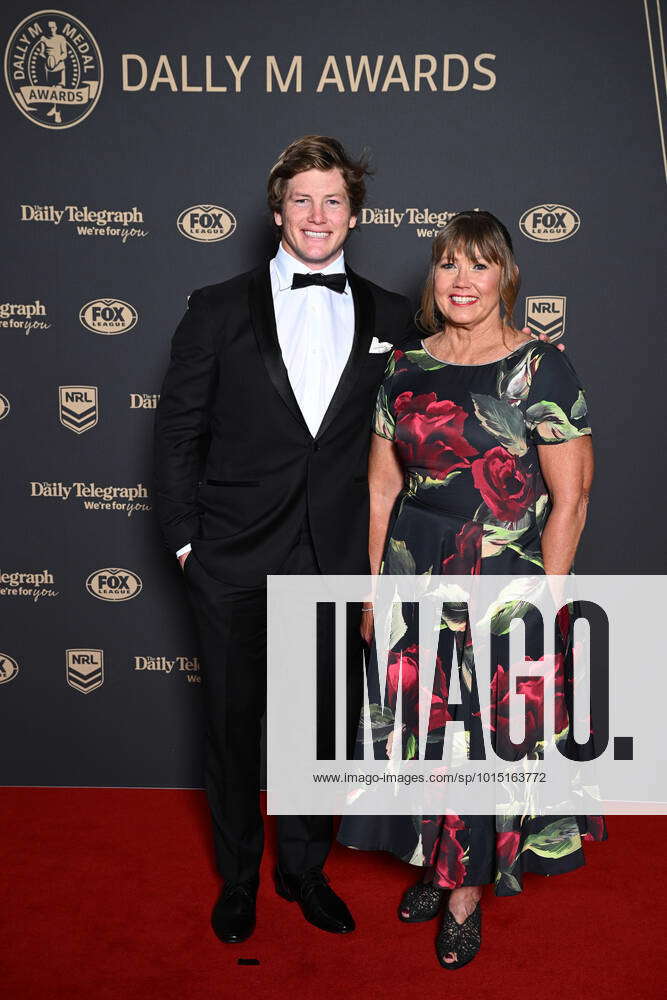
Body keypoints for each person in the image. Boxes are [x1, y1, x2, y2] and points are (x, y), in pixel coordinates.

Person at [153, 135, 414, 944]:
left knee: (318, 730)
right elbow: (176, 438)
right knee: (231, 729)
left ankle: (302, 871)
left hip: (333, 556)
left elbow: (408, 444)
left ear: (353, 214)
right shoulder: (216, 307)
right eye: (301, 199)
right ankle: (237, 881)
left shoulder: (393, 316)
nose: (316, 214)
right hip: (231, 557)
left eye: (332, 199)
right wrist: (189, 546)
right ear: (276, 211)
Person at [338, 210, 607, 968]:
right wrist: (371, 592)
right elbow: (382, 489)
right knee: (421, 730)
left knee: (482, 735)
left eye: (479, 265)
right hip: (412, 565)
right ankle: (438, 859)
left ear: (505, 278)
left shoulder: (540, 367)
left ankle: (462, 895)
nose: (462, 280)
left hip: (504, 575)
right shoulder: (405, 366)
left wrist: (549, 597)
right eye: (449, 264)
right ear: (434, 276)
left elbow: (572, 495)